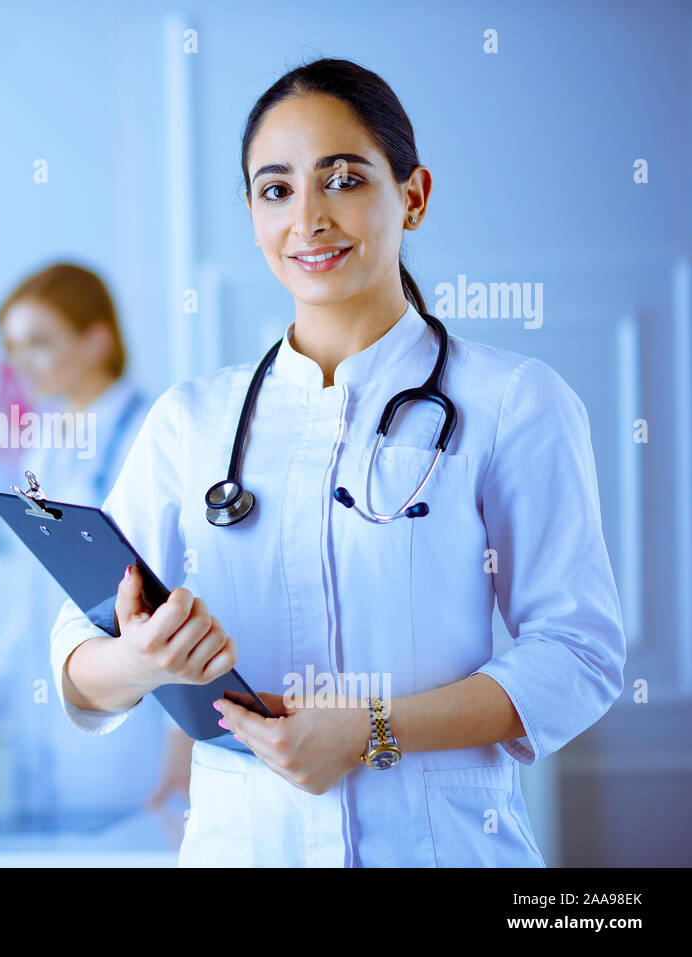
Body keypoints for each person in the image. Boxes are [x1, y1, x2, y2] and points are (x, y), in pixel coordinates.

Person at [49, 59, 626, 866]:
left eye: (345, 179)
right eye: (276, 189)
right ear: (252, 215)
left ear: (413, 196)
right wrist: (140, 661)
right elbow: (79, 660)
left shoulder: (514, 401)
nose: (309, 218)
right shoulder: (191, 421)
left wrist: (370, 730)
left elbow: (578, 652)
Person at [0, 262, 193, 818]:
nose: (21, 362)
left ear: (97, 340)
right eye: (13, 347)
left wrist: (181, 750)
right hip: (49, 740)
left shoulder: (152, 435)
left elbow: (181, 598)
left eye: (39, 342)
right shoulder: (41, 451)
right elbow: (33, 615)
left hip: (136, 744)